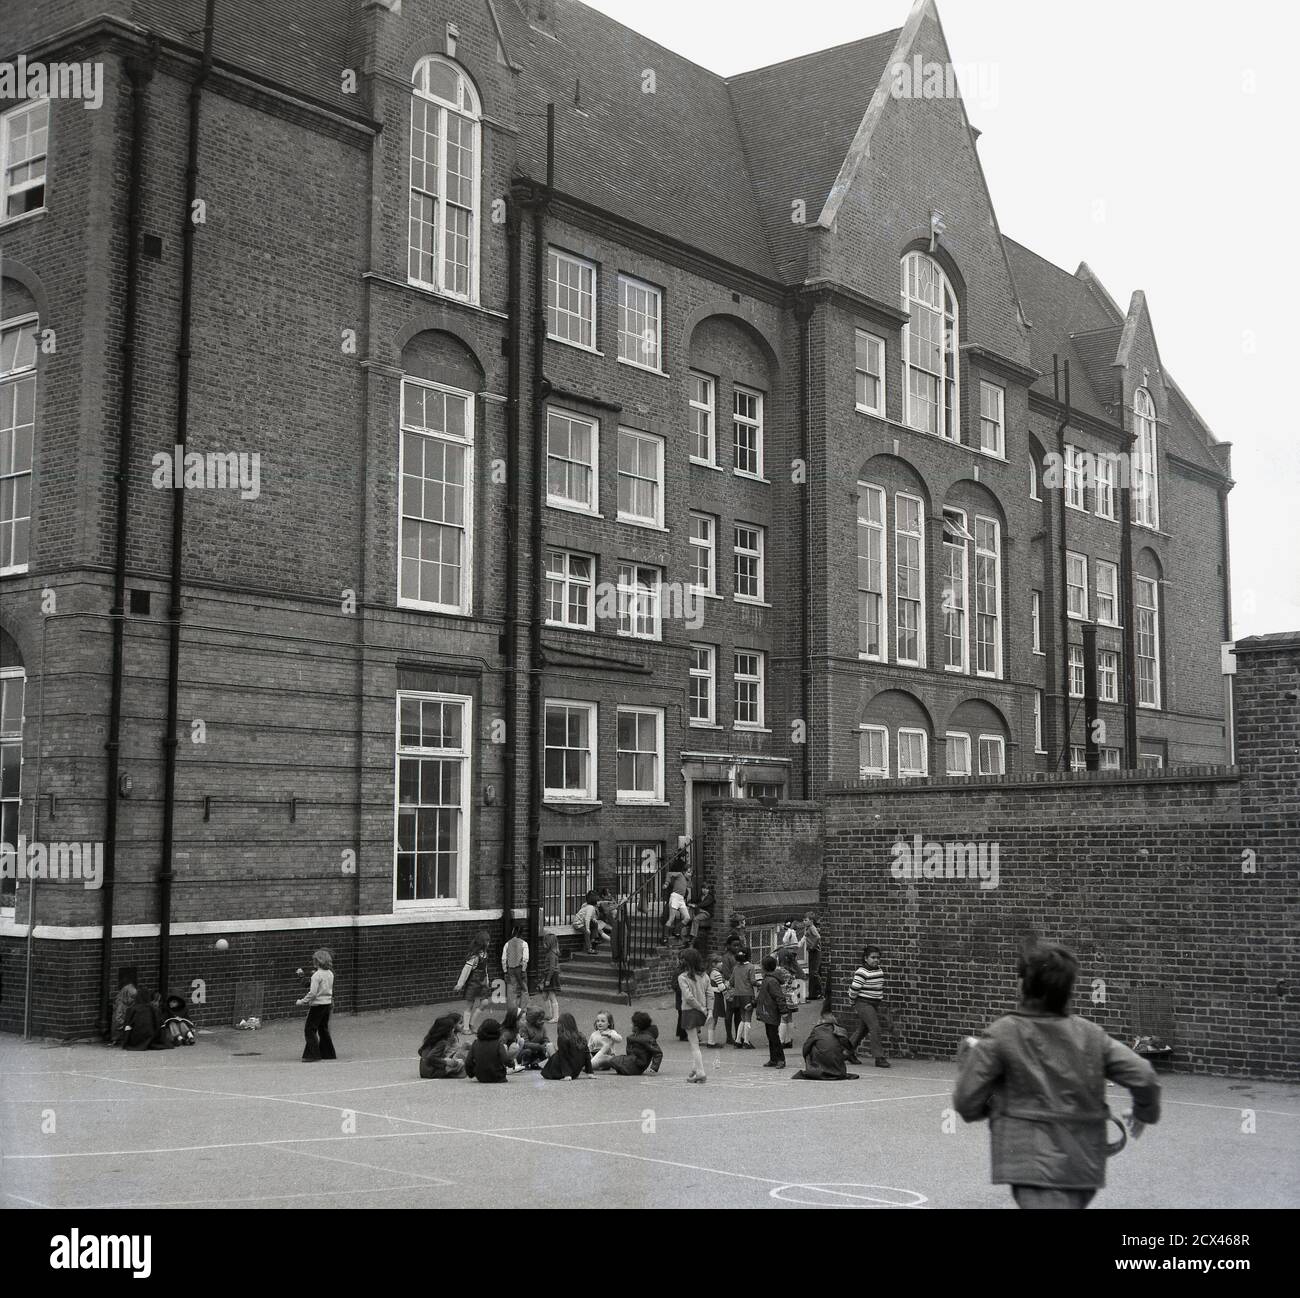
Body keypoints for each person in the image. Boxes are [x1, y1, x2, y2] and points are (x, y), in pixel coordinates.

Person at [953, 942, 1162, 1209]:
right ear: (1068, 990)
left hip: (1033, 1163)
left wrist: (991, 1099)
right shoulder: (1090, 1034)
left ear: (1021, 985)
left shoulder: (1003, 1032)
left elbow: (966, 1100)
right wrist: (1144, 1112)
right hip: (1084, 1163)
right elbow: (1144, 1075)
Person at [847, 945, 889, 1067]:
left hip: (874, 1003)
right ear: (865, 958)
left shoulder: (879, 970)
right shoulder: (862, 972)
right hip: (863, 1003)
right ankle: (879, 1057)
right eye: (873, 957)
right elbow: (854, 989)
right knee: (875, 1028)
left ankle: (846, 1051)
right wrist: (852, 1002)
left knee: (863, 1029)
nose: (876, 960)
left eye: (878, 957)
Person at [793, 1006, 859, 1080]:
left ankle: (816, 1069)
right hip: (838, 1064)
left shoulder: (817, 1030)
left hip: (822, 1060)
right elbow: (849, 1048)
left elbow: (806, 1047)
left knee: (812, 1046)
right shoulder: (841, 1030)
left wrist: (806, 1058)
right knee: (833, 1047)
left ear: (822, 1020)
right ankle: (834, 1068)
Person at [296, 949, 336, 1062]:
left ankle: (313, 1054)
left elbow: (313, 993)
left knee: (309, 1029)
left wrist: (302, 1001)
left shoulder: (316, 976)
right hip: (327, 1004)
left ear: (317, 961)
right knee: (323, 1028)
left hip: (317, 1005)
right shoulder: (330, 973)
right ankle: (328, 1053)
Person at [594, 1010, 662, 1076]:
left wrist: (654, 1068)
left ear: (637, 1027)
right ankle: (590, 1065)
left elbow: (658, 1053)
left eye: (632, 1024)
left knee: (606, 1059)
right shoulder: (637, 1036)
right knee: (607, 1059)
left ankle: (588, 1066)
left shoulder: (647, 1039)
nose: (630, 1025)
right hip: (631, 1063)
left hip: (634, 1066)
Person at [678, 946, 710, 1083]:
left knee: (694, 1044)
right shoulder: (705, 975)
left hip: (690, 1011)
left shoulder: (683, 977)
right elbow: (710, 994)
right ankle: (695, 1068)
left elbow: (688, 997)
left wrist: (700, 1008)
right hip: (702, 1011)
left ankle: (701, 1071)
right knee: (696, 1040)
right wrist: (708, 1009)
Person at [755, 955, 789, 1068]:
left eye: (761, 966)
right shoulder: (768, 980)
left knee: (774, 1036)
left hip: (772, 1012)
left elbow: (779, 997)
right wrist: (753, 1003)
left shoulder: (771, 981)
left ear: (765, 968)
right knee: (770, 1036)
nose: (760, 968)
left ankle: (780, 1059)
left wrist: (783, 1011)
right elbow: (762, 996)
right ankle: (774, 1059)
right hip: (768, 1012)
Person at [456, 930, 492, 1034]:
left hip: (482, 982)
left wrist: (487, 980)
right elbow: (465, 971)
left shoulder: (485, 954)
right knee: (470, 1005)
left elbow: (485, 969)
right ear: (482, 942)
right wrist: (460, 984)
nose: (489, 943)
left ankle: (471, 1024)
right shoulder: (474, 957)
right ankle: (466, 1027)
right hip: (473, 983)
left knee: (485, 1002)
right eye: (487, 941)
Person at [542, 1012, 594, 1079]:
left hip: (562, 1072)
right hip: (575, 1072)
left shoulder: (562, 1037)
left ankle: (551, 1065)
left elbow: (563, 1056)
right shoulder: (581, 1036)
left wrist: (567, 1075)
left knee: (550, 1046)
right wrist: (590, 1072)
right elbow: (587, 1054)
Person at [419, 1012, 468, 1078]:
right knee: (462, 1069)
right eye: (452, 1030)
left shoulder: (431, 1039)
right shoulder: (442, 1042)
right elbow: (431, 1057)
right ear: (446, 1031)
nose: (453, 1031)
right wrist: (446, 1061)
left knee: (460, 1064)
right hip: (432, 1072)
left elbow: (420, 1051)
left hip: (424, 1071)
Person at [465, 1017, 509, 1083]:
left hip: (481, 1077)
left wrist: (471, 1073)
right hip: (498, 1076)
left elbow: (468, 1062)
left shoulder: (475, 1043)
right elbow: (505, 1059)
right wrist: (511, 1064)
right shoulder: (498, 1043)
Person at [729, 946, 757, 1048]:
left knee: (742, 1018)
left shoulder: (736, 968)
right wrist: (759, 984)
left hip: (738, 995)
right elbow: (753, 981)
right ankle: (746, 1041)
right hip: (748, 994)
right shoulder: (751, 967)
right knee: (748, 1018)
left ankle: (737, 1040)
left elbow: (731, 982)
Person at [501, 925, 529, 1014]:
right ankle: (522, 1010)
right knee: (524, 989)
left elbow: (503, 959)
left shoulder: (507, 944)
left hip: (510, 969)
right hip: (520, 969)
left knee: (511, 991)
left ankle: (512, 1012)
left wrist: (505, 971)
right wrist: (524, 970)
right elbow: (525, 959)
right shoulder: (524, 944)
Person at [705, 954, 730, 1048]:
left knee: (713, 1018)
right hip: (716, 997)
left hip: (711, 996)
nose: (722, 963)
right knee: (714, 1019)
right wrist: (727, 984)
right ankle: (711, 1042)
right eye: (720, 962)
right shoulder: (717, 974)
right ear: (714, 964)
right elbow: (721, 987)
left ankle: (711, 1040)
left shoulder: (710, 972)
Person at [663, 864, 692, 942]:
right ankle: (665, 937)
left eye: (691, 872)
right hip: (675, 897)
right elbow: (669, 874)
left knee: (687, 918)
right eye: (689, 872)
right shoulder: (679, 874)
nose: (690, 874)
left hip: (681, 900)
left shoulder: (687, 880)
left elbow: (689, 887)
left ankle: (676, 931)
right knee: (671, 918)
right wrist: (666, 883)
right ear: (684, 872)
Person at [537, 932, 561, 1022]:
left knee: (552, 996)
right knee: (544, 995)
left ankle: (555, 1017)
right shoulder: (550, 953)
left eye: (544, 943)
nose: (543, 945)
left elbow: (552, 968)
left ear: (549, 943)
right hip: (549, 976)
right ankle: (549, 1014)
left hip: (551, 977)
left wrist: (547, 979)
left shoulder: (551, 954)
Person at [802, 914, 823, 1000]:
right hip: (811, 951)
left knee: (814, 972)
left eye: (806, 920)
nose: (804, 922)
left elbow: (818, 937)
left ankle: (821, 992)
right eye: (803, 920)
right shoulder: (808, 928)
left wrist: (813, 946)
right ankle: (812, 994)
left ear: (811, 921)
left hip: (815, 951)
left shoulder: (812, 928)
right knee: (811, 972)